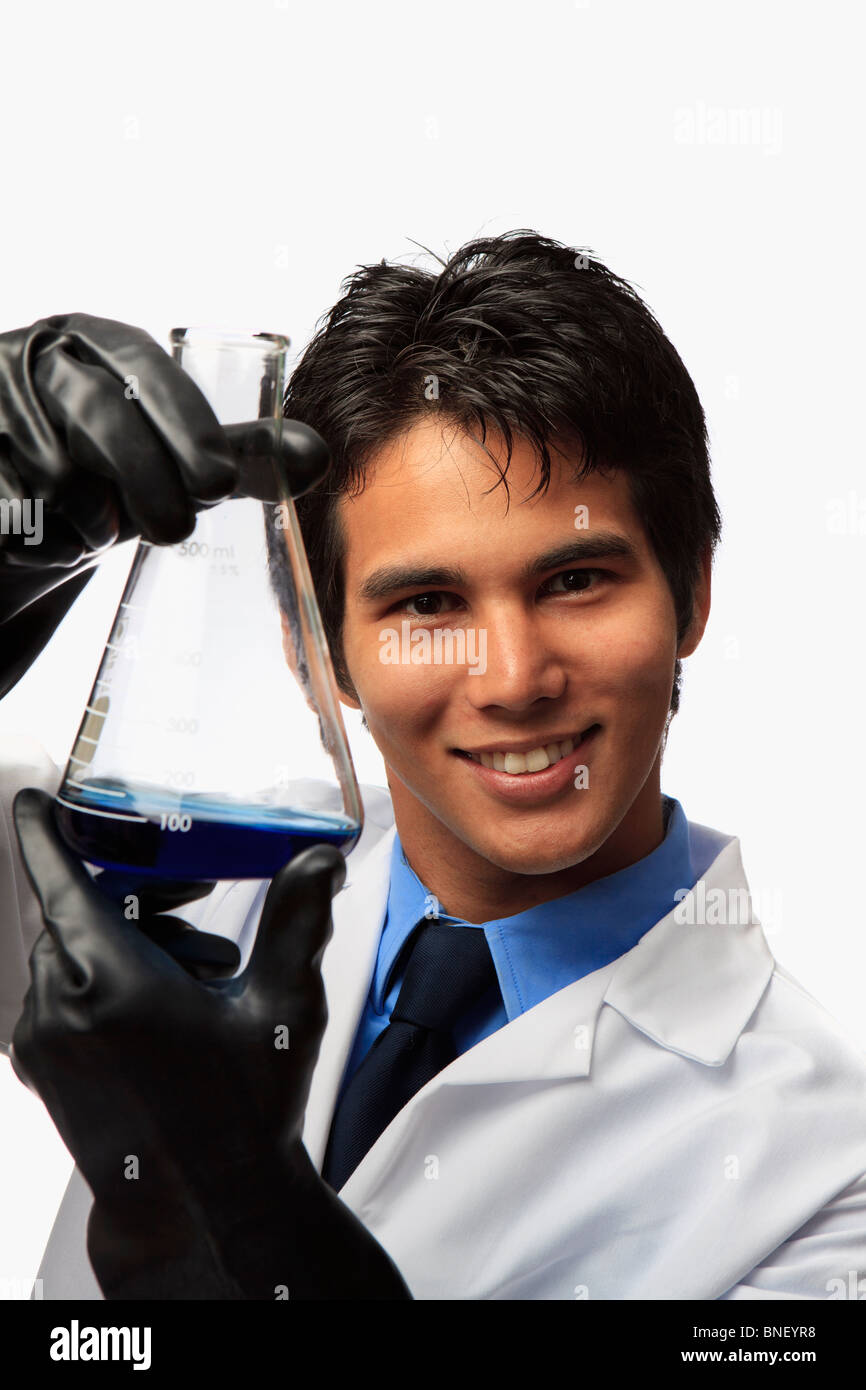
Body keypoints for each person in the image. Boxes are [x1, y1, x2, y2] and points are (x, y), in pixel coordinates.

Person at [2, 233, 866, 1300]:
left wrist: (224, 1203)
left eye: (576, 579)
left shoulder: (829, 1180)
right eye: (426, 603)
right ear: (315, 642)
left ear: (689, 593)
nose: (511, 678)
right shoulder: (164, 876)